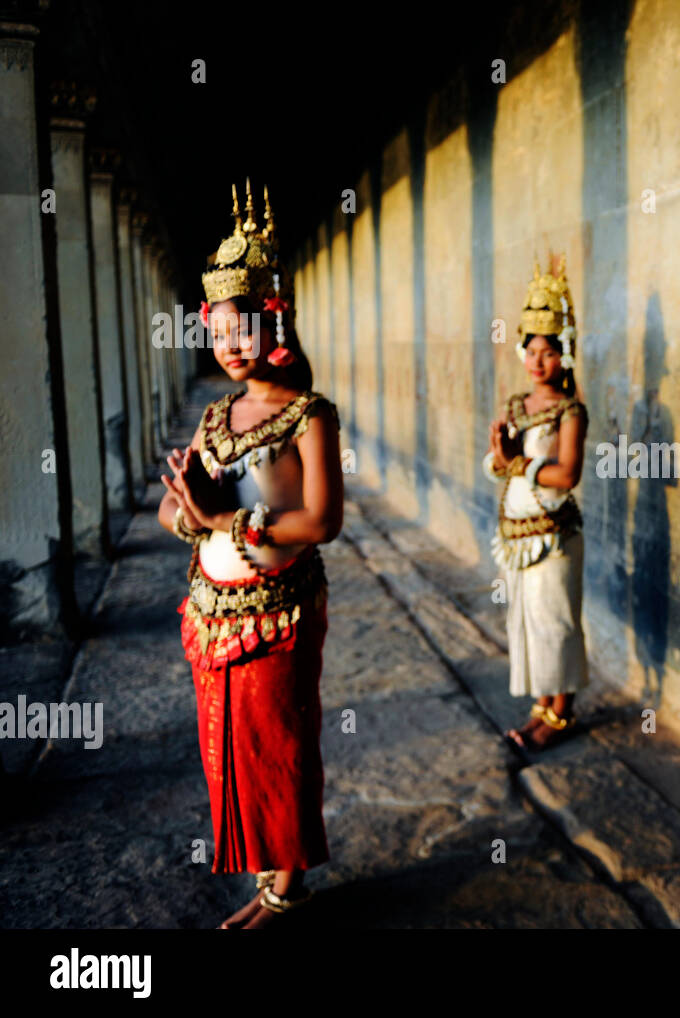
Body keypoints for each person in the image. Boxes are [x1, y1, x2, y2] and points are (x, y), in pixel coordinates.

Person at [158, 182, 344, 928]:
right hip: (210, 613)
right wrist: (190, 516)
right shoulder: (216, 415)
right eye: (220, 333)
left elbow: (323, 519)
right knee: (229, 752)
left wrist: (230, 525)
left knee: (281, 745)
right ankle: (265, 869)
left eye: (244, 329)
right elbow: (179, 509)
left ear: (276, 323)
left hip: (278, 613)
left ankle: (286, 887)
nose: (230, 346)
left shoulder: (307, 414)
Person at [486, 257, 590, 752]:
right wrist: (500, 460)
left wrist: (515, 463)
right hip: (516, 536)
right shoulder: (514, 405)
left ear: (564, 356)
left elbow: (566, 476)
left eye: (548, 352)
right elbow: (497, 459)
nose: (537, 361)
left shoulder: (571, 410)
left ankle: (561, 715)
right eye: (531, 350)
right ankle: (541, 707)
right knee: (526, 621)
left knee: (556, 623)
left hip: (555, 536)